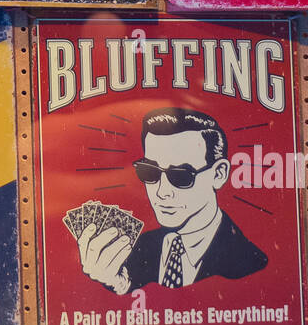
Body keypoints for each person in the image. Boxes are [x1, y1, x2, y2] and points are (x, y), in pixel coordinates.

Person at [77, 107, 267, 293]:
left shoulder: (249, 262)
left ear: (219, 174)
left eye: (181, 176)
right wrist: (118, 285)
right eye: (149, 172)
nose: (162, 192)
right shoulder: (136, 250)